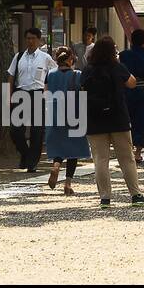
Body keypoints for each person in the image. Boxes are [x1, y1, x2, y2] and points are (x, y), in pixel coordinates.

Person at [81, 36, 144, 209]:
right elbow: (132, 83)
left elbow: (81, 89)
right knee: (126, 159)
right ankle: (135, 195)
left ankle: (105, 198)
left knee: (100, 160)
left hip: (94, 119)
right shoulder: (117, 67)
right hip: (118, 118)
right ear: (113, 51)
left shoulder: (88, 70)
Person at [7, 27, 58, 172]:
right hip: (20, 94)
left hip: (37, 94)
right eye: (28, 38)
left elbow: (53, 75)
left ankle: (32, 162)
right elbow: (10, 77)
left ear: (38, 40)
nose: (30, 41)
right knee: (15, 130)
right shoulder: (19, 56)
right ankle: (26, 153)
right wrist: (8, 96)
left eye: (33, 38)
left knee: (37, 130)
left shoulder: (45, 57)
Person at [44, 47, 89, 195]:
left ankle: (56, 165)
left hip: (55, 115)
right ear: (70, 59)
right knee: (73, 150)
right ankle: (67, 184)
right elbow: (83, 95)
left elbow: (45, 95)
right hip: (74, 116)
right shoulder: (78, 75)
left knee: (59, 146)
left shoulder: (49, 74)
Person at [119, 28, 144, 164]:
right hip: (142, 91)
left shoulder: (123, 56)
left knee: (126, 120)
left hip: (126, 91)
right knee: (141, 122)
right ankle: (138, 152)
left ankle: (127, 150)